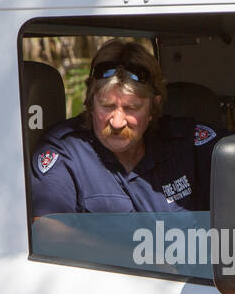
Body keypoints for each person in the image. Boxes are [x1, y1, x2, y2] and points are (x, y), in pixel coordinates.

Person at [30, 39, 224, 216]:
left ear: (153, 108)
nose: (117, 122)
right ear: (90, 104)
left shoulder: (189, 143)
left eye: (132, 108)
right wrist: (140, 253)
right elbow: (49, 230)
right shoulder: (66, 152)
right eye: (107, 106)